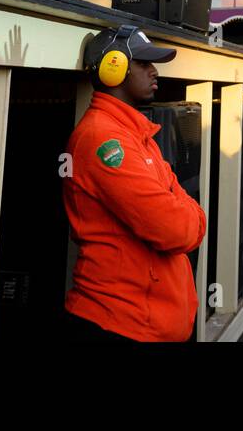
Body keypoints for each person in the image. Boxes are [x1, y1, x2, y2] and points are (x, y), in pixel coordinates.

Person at [63, 25, 205, 342]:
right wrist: (189, 216)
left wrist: (187, 215)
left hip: (144, 326)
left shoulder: (137, 136)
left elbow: (185, 212)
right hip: (118, 325)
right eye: (143, 63)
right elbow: (173, 229)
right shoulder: (103, 138)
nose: (154, 72)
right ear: (114, 68)